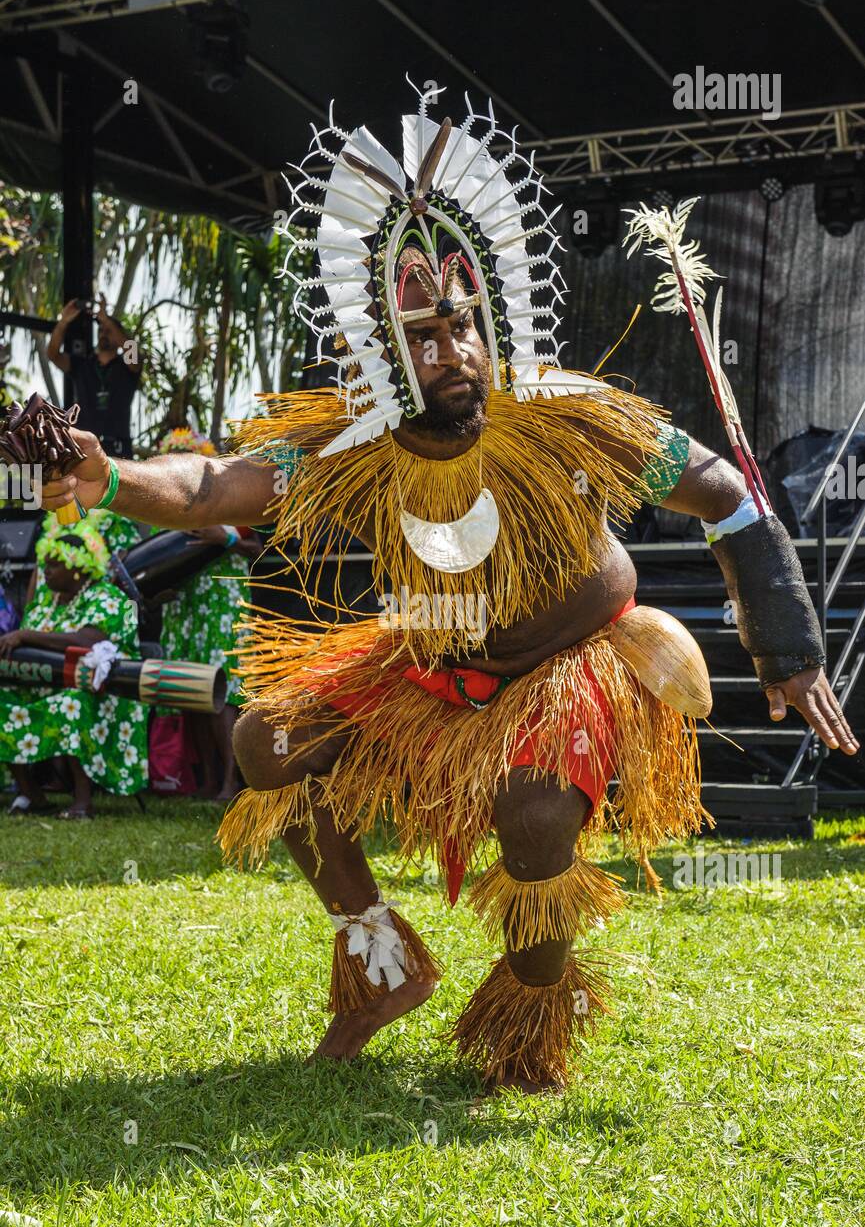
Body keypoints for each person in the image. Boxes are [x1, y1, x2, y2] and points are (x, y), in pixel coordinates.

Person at [37, 89, 858, 1092]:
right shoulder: (357, 436)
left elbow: (725, 496)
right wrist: (107, 476)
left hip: (569, 661)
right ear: (380, 342)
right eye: (422, 334)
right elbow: (215, 485)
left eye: (463, 324)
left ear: (492, 314)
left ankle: (527, 1020)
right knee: (267, 741)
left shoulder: (567, 414)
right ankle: (378, 959)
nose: (452, 351)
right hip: (430, 655)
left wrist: (785, 640)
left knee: (537, 817)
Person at [0, 524, 148, 817]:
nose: (47, 572)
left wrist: (27, 635)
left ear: (78, 568)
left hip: (105, 695)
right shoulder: (45, 603)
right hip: (44, 686)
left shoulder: (107, 597)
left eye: (55, 566)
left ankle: (83, 801)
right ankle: (32, 795)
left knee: (70, 704)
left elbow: (88, 640)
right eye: (46, 565)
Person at [154, 426, 262, 801]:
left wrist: (226, 538)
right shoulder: (168, 501)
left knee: (224, 692)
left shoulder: (240, 497)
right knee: (193, 691)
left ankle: (233, 782)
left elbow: (260, 551)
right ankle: (207, 778)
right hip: (186, 604)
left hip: (223, 601)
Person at [47, 294, 141, 459]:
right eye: (101, 330)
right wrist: (64, 321)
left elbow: (132, 348)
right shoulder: (83, 364)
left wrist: (106, 319)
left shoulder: (128, 366)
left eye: (109, 330)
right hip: (85, 449)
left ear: (119, 336)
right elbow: (53, 354)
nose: (103, 333)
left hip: (119, 452)